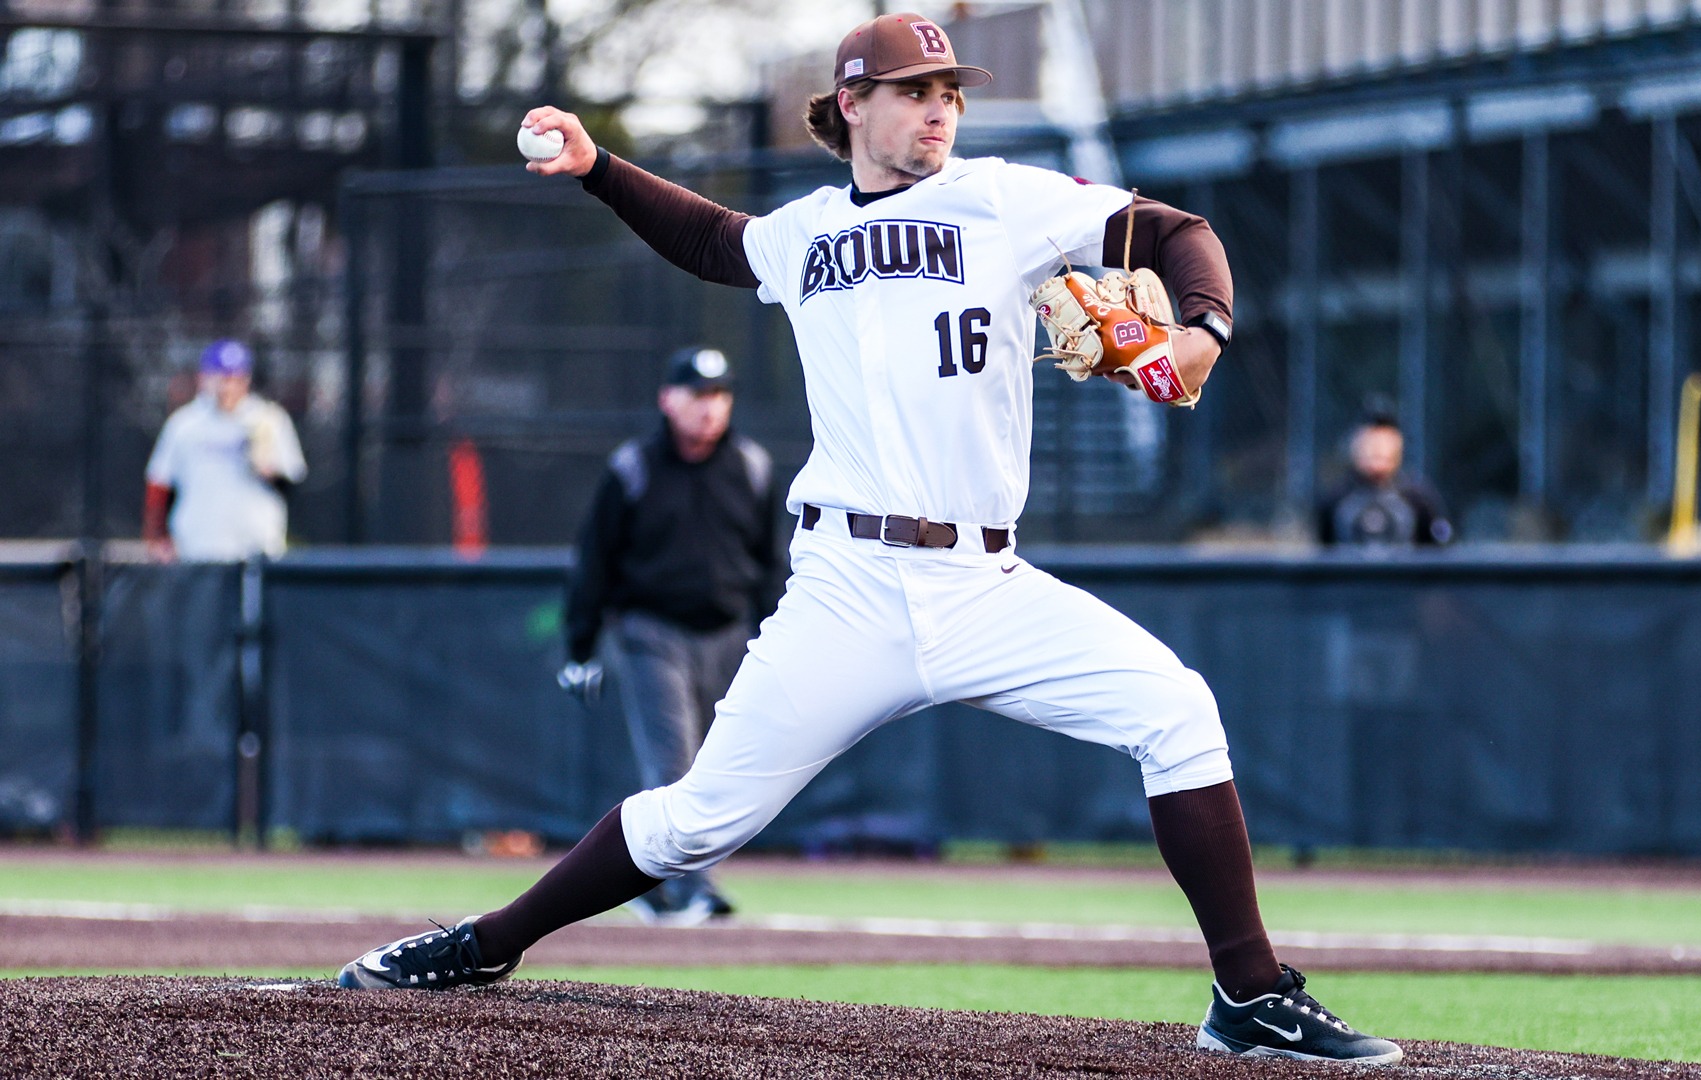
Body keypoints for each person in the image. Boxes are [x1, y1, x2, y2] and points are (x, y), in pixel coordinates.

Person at [338, 12, 1400, 1066]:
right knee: (697, 822)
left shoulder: (1007, 200)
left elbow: (1176, 233)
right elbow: (713, 241)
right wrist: (596, 167)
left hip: (988, 581)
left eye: (949, 93)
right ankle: (484, 944)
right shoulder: (805, 232)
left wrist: (1200, 326)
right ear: (853, 104)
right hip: (849, 582)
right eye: (914, 91)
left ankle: (1250, 994)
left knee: (1176, 713)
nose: (939, 109)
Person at [557, 345, 779, 925]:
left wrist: (775, 634)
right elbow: (593, 561)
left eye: (720, 395)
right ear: (668, 400)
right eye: (698, 395)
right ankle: (692, 887)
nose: (710, 408)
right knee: (675, 763)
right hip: (651, 633)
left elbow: (766, 562)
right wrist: (580, 647)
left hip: (729, 634)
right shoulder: (633, 467)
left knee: (718, 766)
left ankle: (650, 883)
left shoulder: (751, 466)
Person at [143, 340, 307, 562]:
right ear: (203, 379)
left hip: (255, 549)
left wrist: (266, 469)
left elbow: (292, 480)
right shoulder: (185, 424)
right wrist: (156, 537)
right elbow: (160, 483)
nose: (227, 387)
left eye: (234, 379)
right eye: (220, 378)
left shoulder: (268, 420)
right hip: (196, 548)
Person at [1317, 405, 1452, 548]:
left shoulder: (1419, 500)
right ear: (1356, 444)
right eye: (1370, 441)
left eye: (1385, 441)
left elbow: (1443, 551)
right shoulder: (1334, 500)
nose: (1378, 448)